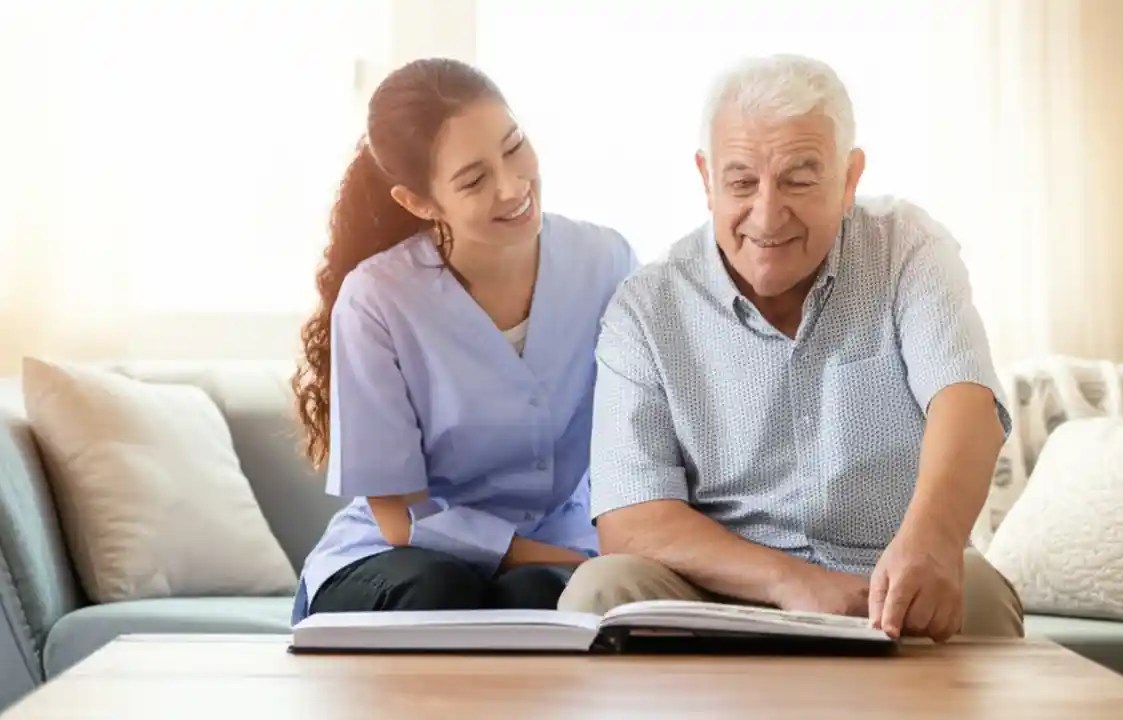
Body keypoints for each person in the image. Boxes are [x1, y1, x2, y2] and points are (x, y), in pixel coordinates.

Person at [558, 54, 1023, 641]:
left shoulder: (907, 248)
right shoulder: (646, 308)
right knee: (601, 589)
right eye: (742, 182)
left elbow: (966, 405)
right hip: (723, 591)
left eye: (800, 179)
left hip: (887, 578)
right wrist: (790, 581)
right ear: (706, 179)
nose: (768, 214)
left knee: (975, 588)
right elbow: (631, 520)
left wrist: (930, 542)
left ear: (850, 178)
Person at [289, 58, 636, 623]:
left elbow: (643, 438)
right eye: (474, 180)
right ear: (420, 202)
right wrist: (571, 561)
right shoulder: (378, 299)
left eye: (514, 145)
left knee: (543, 597)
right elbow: (398, 520)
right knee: (441, 589)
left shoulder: (606, 263)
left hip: (553, 553)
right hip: (396, 561)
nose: (512, 185)